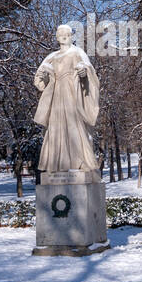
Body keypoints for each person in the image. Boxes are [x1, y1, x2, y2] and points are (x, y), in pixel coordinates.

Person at [33, 24, 100, 173]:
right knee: (56, 127)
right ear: (57, 37)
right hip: (57, 95)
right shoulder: (52, 57)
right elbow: (39, 78)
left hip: (72, 93)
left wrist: (84, 72)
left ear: (71, 36)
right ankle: (55, 163)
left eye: (67, 34)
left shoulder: (77, 52)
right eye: (61, 33)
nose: (64, 36)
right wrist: (44, 76)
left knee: (74, 125)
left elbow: (87, 68)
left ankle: (81, 161)